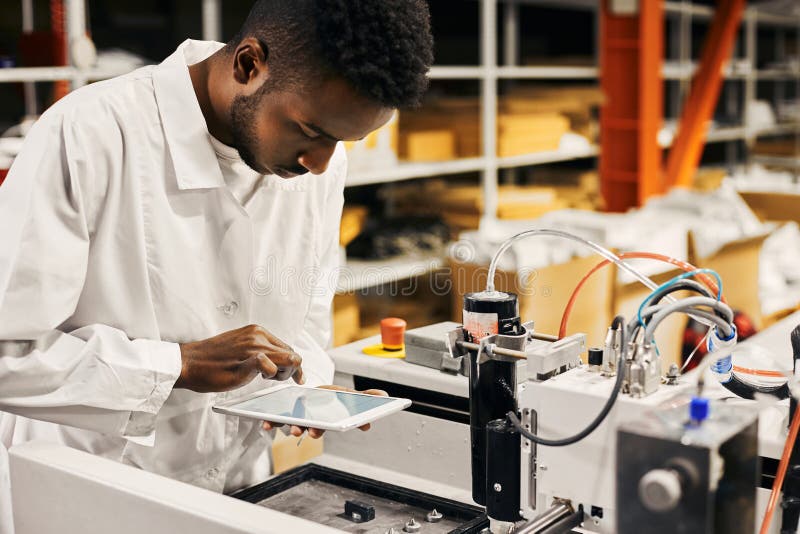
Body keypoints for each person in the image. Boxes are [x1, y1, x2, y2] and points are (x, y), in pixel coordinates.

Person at [0, 0, 434, 517]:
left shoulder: (319, 167)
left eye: (344, 142)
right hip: (95, 497)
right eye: (311, 132)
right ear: (249, 65)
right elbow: (8, 356)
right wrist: (177, 365)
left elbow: (308, 320)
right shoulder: (89, 134)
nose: (319, 164)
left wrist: (311, 390)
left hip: (242, 491)